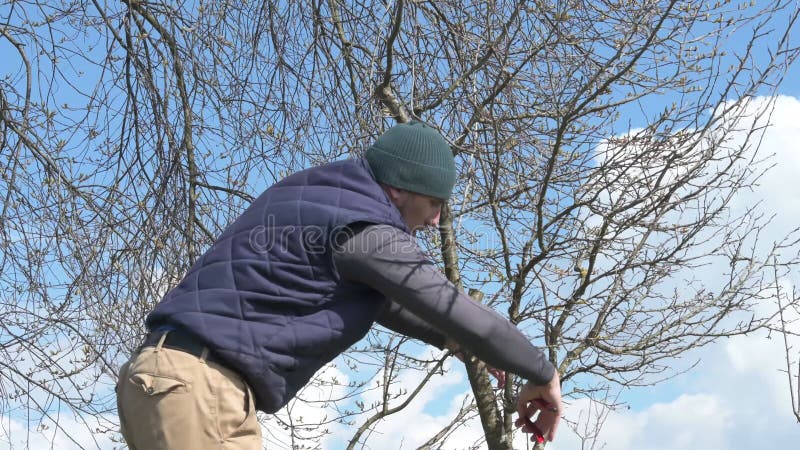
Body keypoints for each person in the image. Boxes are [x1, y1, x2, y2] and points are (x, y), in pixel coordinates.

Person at [116, 120, 562, 449]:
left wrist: (456, 341)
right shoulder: (366, 229)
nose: (434, 220)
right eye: (433, 203)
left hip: (188, 381)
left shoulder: (320, 196)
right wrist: (541, 372)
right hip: (198, 384)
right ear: (399, 189)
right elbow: (445, 302)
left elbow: (388, 301)